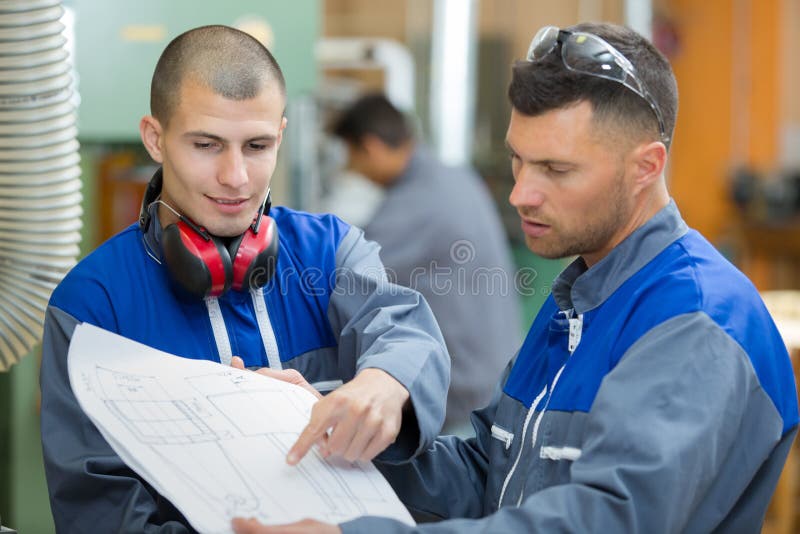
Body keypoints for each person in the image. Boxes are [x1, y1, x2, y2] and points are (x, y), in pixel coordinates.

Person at [230, 22, 799, 533]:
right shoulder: (579, 297)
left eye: (556, 169)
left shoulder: (693, 322)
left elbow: (605, 521)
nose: (520, 193)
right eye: (518, 161)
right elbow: (492, 470)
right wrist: (329, 422)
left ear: (646, 167)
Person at [39, 25, 450, 532]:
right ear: (155, 138)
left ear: (280, 135)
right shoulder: (90, 307)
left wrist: (387, 383)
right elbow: (99, 515)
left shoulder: (329, 251)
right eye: (207, 145)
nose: (236, 177)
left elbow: (403, 328)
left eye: (256, 145)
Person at [329, 94, 521, 434]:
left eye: (351, 158)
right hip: (494, 375)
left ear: (371, 148)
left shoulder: (419, 201)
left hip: (463, 398)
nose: (350, 170)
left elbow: (346, 279)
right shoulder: (450, 178)